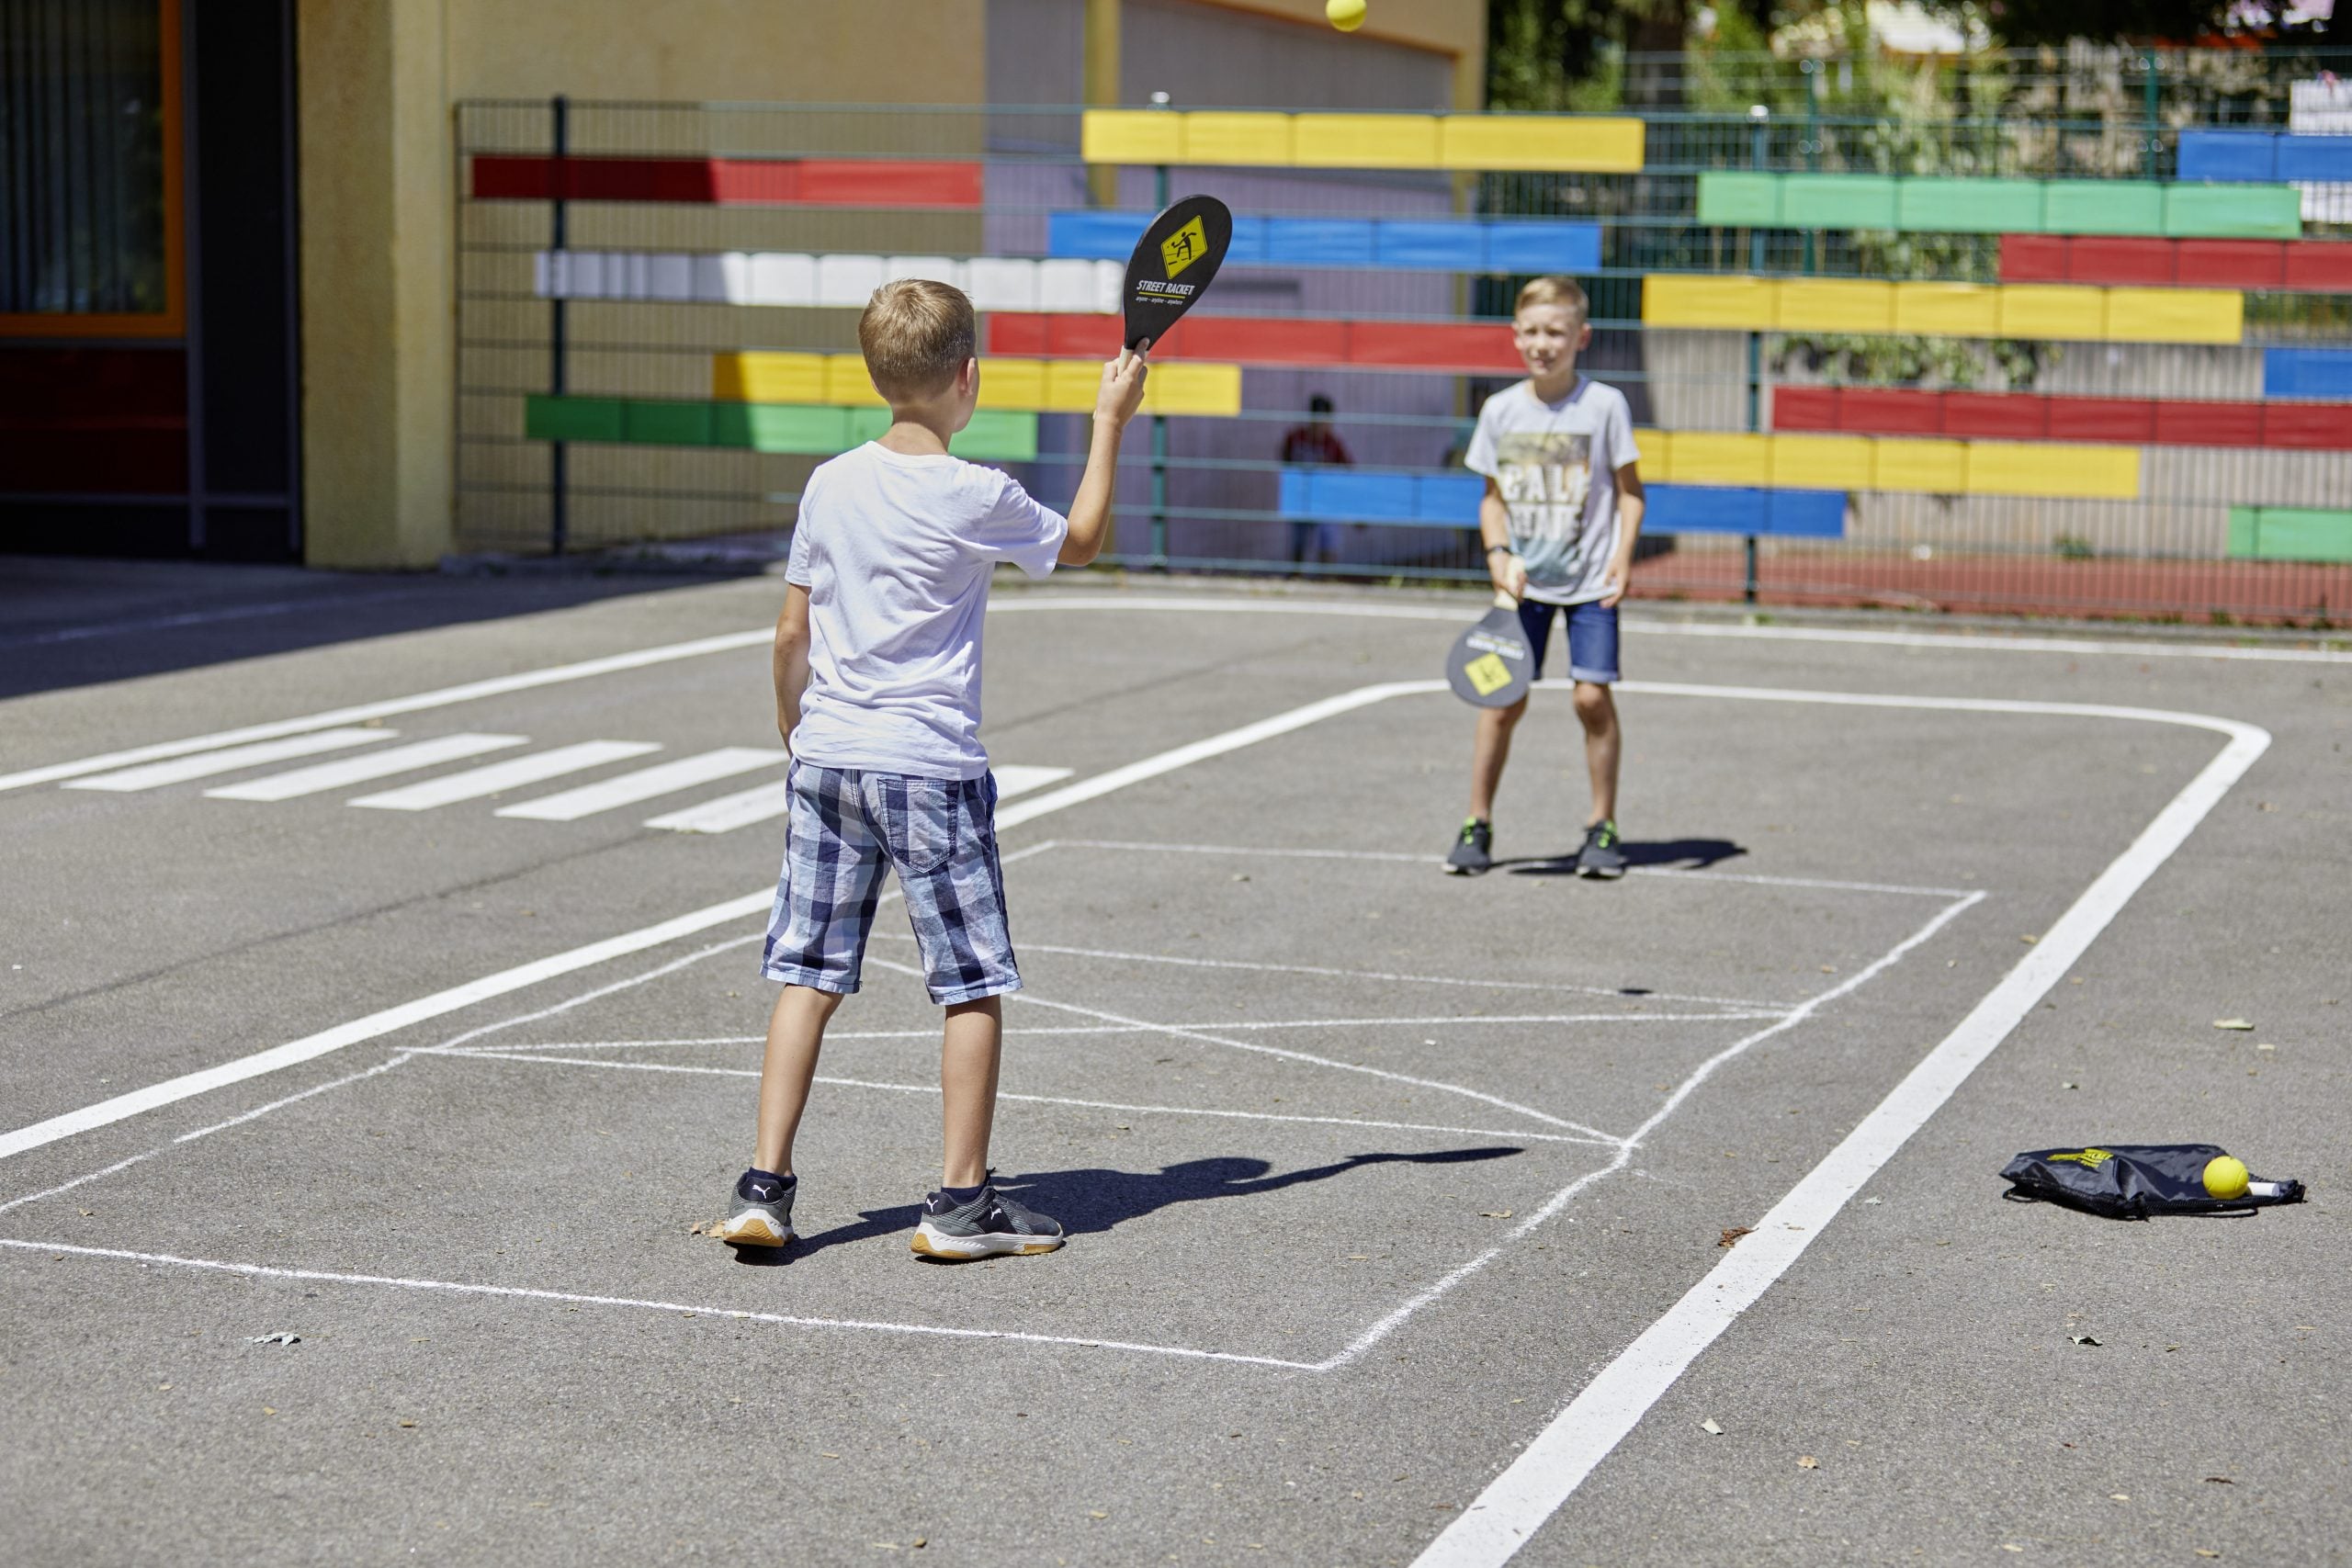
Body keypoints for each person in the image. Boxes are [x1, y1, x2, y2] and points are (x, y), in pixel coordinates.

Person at [718, 279, 1149, 1258]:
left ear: (876, 376)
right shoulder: (976, 493)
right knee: (969, 983)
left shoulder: (829, 483)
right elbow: (1082, 541)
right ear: (969, 376)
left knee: (807, 975)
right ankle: (960, 1205)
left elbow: (789, 634)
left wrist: (795, 729)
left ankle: (764, 1188)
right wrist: (1109, 420)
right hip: (928, 768)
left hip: (828, 758)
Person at [1444, 276, 1645, 879]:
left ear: (1582, 337)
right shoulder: (1501, 410)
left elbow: (1631, 494)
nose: (1542, 343)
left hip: (1590, 583)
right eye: (1531, 331)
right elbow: (1491, 499)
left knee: (1591, 698)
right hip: (1522, 588)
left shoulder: (1605, 406)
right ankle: (1477, 823)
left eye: (1556, 332)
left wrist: (1623, 556)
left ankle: (1602, 825)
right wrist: (1497, 554)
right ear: (1514, 336)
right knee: (1501, 701)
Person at [1281, 393, 1353, 569]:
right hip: (1302, 497)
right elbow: (1285, 462)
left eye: (1325, 421)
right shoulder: (1296, 438)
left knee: (1328, 539)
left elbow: (1348, 469)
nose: (1321, 425)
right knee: (1299, 541)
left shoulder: (1332, 443)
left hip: (1326, 500)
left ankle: (1326, 577)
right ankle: (1295, 575)